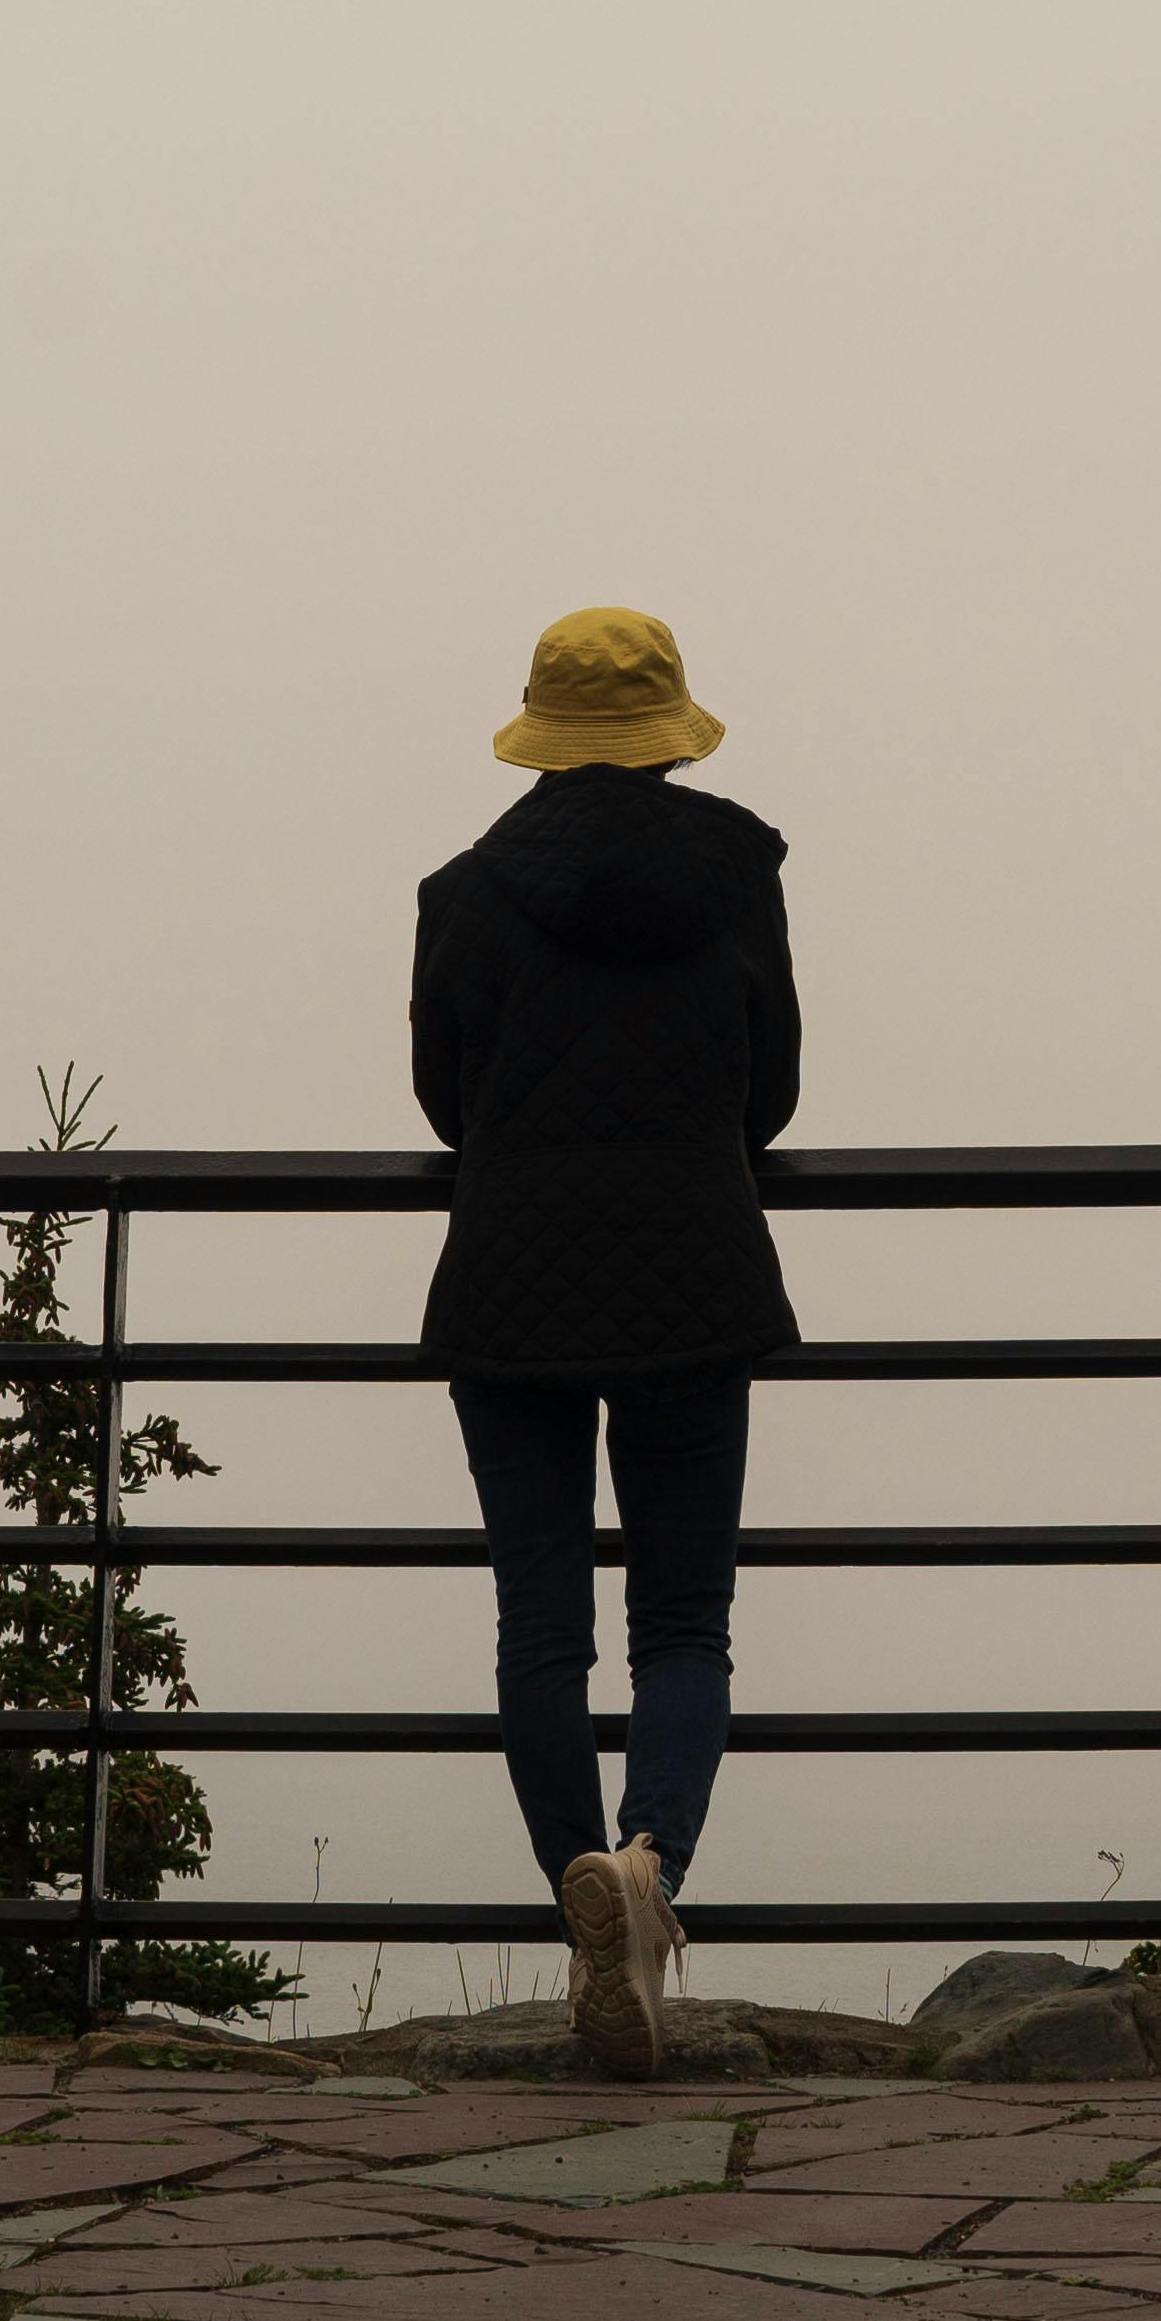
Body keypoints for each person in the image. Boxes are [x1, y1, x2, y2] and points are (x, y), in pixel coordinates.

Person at [409, 604, 801, 2078]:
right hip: (694, 1271)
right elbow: (771, 1095)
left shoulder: (464, 891)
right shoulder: (741, 876)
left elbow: (448, 1102)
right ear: (666, 728)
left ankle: (580, 1879)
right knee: (685, 1624)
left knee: (541, 1630)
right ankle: (647, 1874)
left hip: (511, 1281)